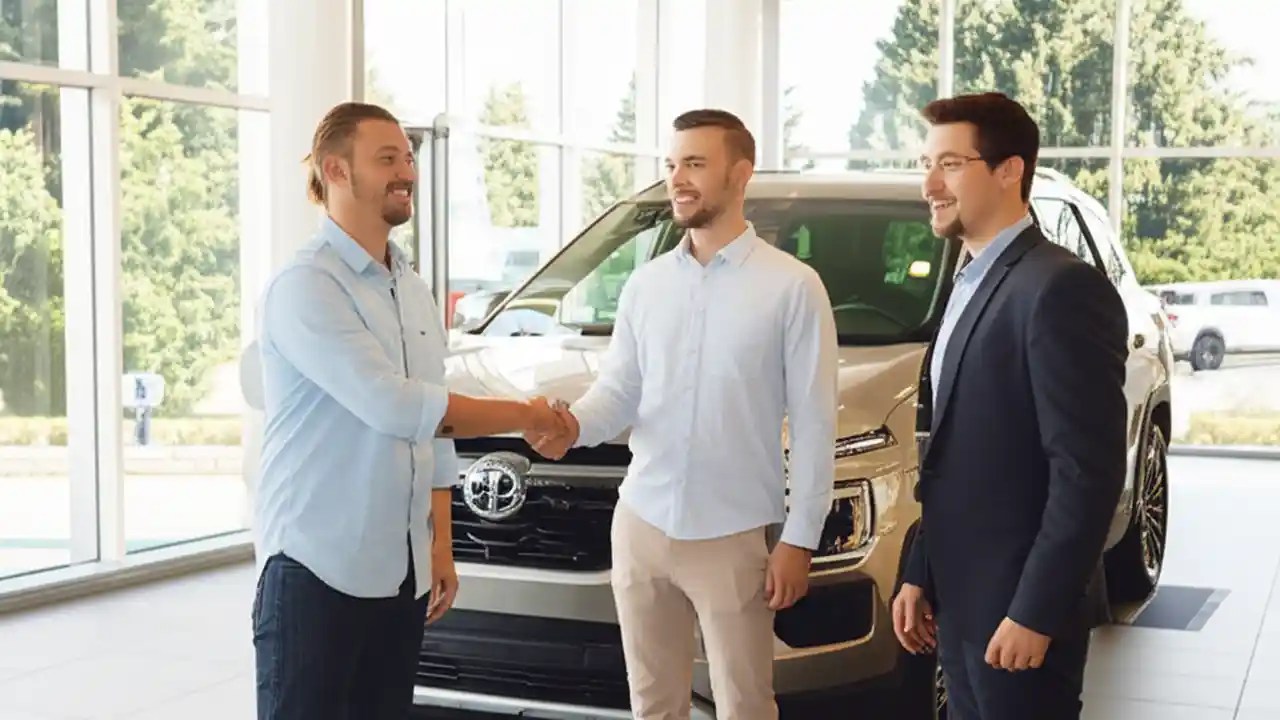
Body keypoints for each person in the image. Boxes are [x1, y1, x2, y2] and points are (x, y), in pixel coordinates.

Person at [251, 101, 565, 720]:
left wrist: (439, 545)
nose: (407, 172)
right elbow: (398, 407)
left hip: (401, 572)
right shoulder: (307, 286)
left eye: (409, 157)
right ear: (335, 170)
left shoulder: (411, 288)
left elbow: (431, 437)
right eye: (387, 158)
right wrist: (527, 414)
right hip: (316, 570)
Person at [529, 109, 839, 720]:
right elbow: (620, 393)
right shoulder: (645, 286)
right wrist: (572, 428)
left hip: (732, 533)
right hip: (641, 524)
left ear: (740, 174)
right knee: (652, 705)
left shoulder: (792, 287)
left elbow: (814, 424)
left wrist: (801, 538)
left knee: (745, 705)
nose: (677, 178)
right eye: (672, 164)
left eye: (695, 164)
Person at [891, 92, 1128, 720]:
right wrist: (921, 570)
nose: (929, 185)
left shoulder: (1059, 288)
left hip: (1019, 614)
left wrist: (1036, 612)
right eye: (926, 164)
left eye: (950, 164)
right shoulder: (970, 280)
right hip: (964, 605)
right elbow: (952, 453)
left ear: (1009, 170)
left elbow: (1087, 473)